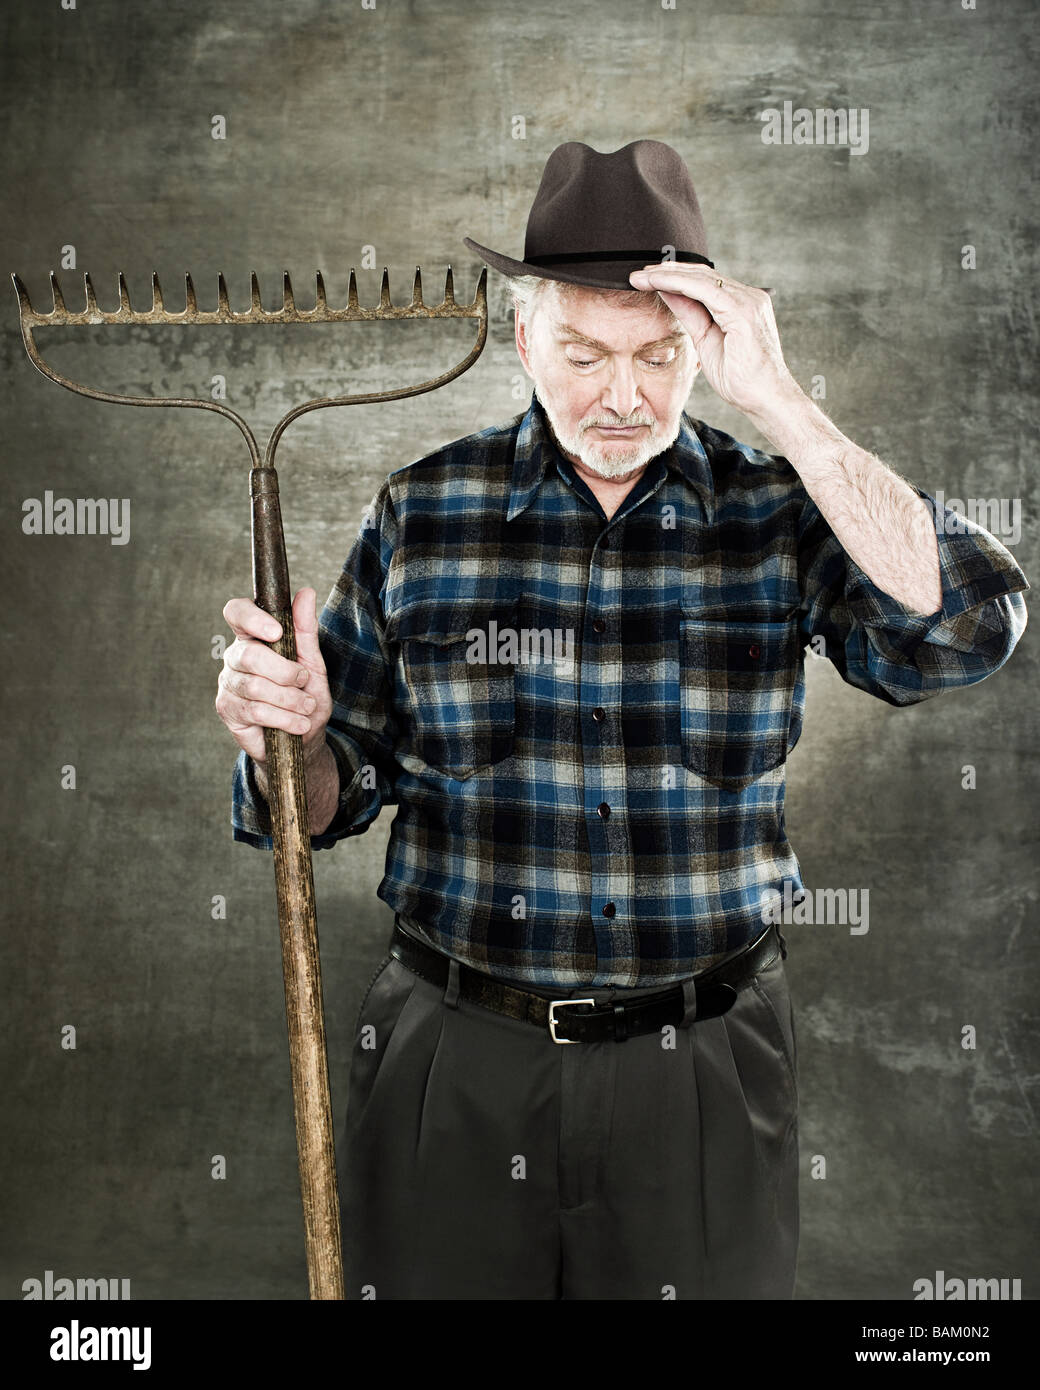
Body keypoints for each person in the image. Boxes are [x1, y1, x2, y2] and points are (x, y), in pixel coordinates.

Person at [215, 140, 1028, 1300]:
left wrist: (784, 404)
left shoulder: (780, 511)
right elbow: (322, 800)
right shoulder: (423, 510)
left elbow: (968, 624)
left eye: (659, 355)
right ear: (520, 336)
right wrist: (281, 736)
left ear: (705, 343)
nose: (621, 396)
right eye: (583, 352)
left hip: (697, 1065)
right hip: (455, 1057)